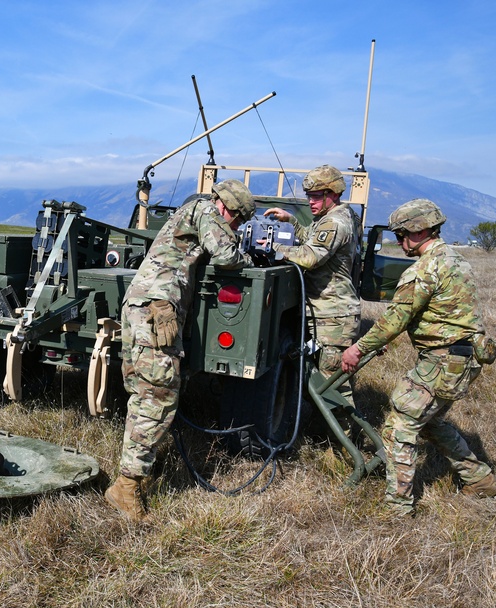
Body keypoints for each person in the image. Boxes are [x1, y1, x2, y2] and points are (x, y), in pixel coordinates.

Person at [105, 179, 256, 520]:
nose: (236, 227)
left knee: (143, 393)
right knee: (158, 394)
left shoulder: (192, 211)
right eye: (238, 221)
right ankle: (127, 486)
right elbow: (227, 255)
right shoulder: (205, 210)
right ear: (228, 209)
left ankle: (135, 476)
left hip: (143, 305)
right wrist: (247, 253)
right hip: (158, 310)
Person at [341, 199, 496, 516]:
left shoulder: (424, 270)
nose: (400, 242)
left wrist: (359, 347)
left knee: (399, 426)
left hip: (442, 361)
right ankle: (480, 480)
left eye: (403, 235)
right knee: (430, 422)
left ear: (421, 230)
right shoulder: (455, 260)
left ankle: (398, 509)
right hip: (463, 359)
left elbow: (395, 319)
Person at [263, 165, 362, 423]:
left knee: (333, 387)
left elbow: (310, 256)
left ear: (333, 193)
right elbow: (313, 239)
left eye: (316, 195)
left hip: (334, 316)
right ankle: (332, 438)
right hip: (328, 314)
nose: (310, 201)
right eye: (308, 195)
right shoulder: (340, 216)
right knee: (321, 383)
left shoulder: (335, 221)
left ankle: (348, 445)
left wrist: (271, 246)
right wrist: (291, 221)